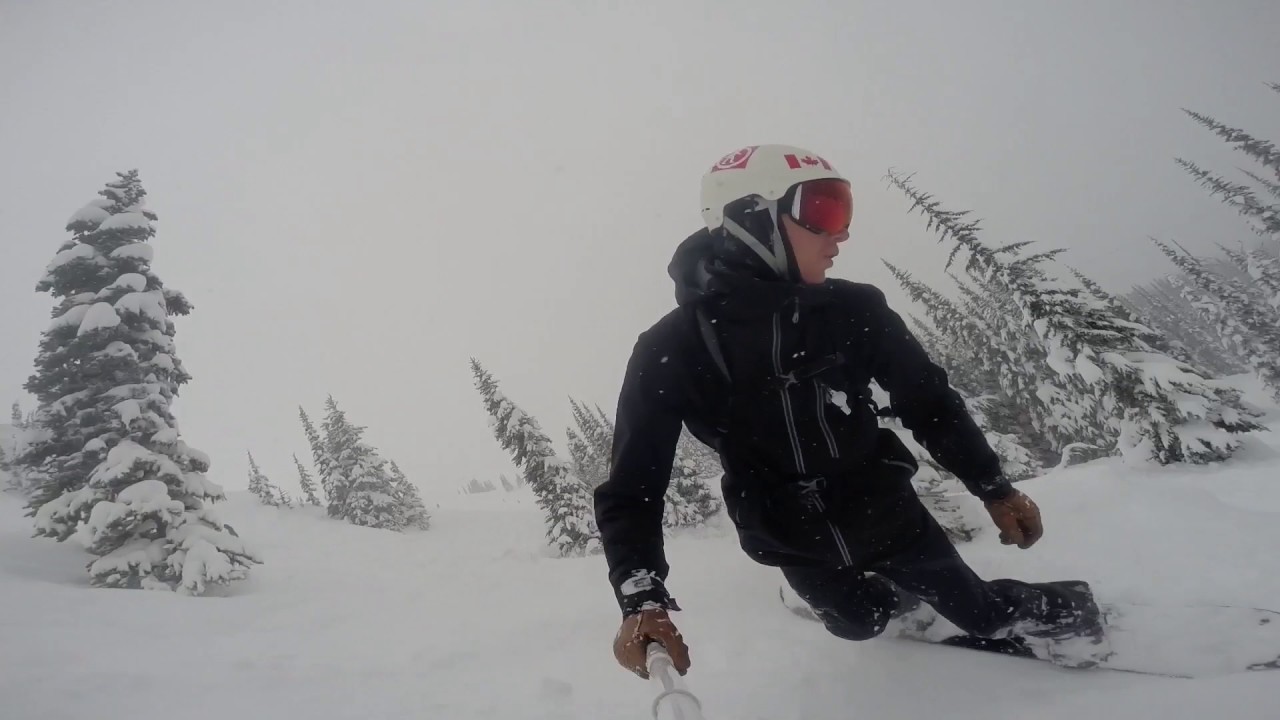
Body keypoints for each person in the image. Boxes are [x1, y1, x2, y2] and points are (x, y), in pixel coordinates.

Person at [592, 144, 1104, 679]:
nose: (841, 233)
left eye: (844, 209)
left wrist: (994, 487)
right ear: (750, 218)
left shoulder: (854, 309)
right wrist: (640, 597)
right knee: (857, 623)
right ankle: (896, 604)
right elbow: (634, 488)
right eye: (823, 209)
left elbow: (928, 402)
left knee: (984, 614)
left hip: (885, 511)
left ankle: (1073, 611)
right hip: (787, 534)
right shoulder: (672, 347)